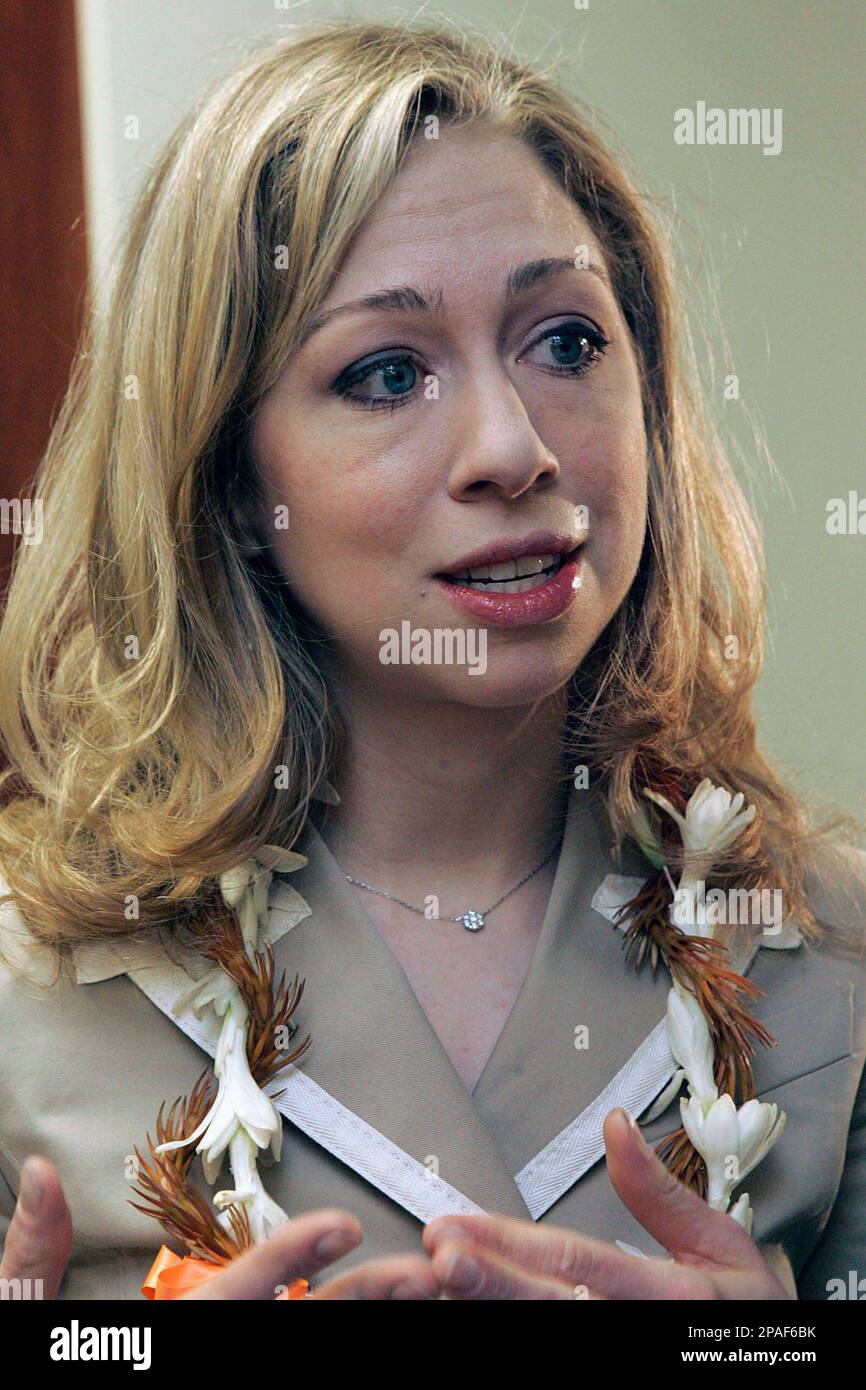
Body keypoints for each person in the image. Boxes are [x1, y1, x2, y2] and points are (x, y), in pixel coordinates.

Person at [0, 20, 863, 1302]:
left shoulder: (829, 950)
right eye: (388, 371)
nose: (511, 448)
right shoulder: (29, 986)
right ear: (232, 482)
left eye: (565, 342)